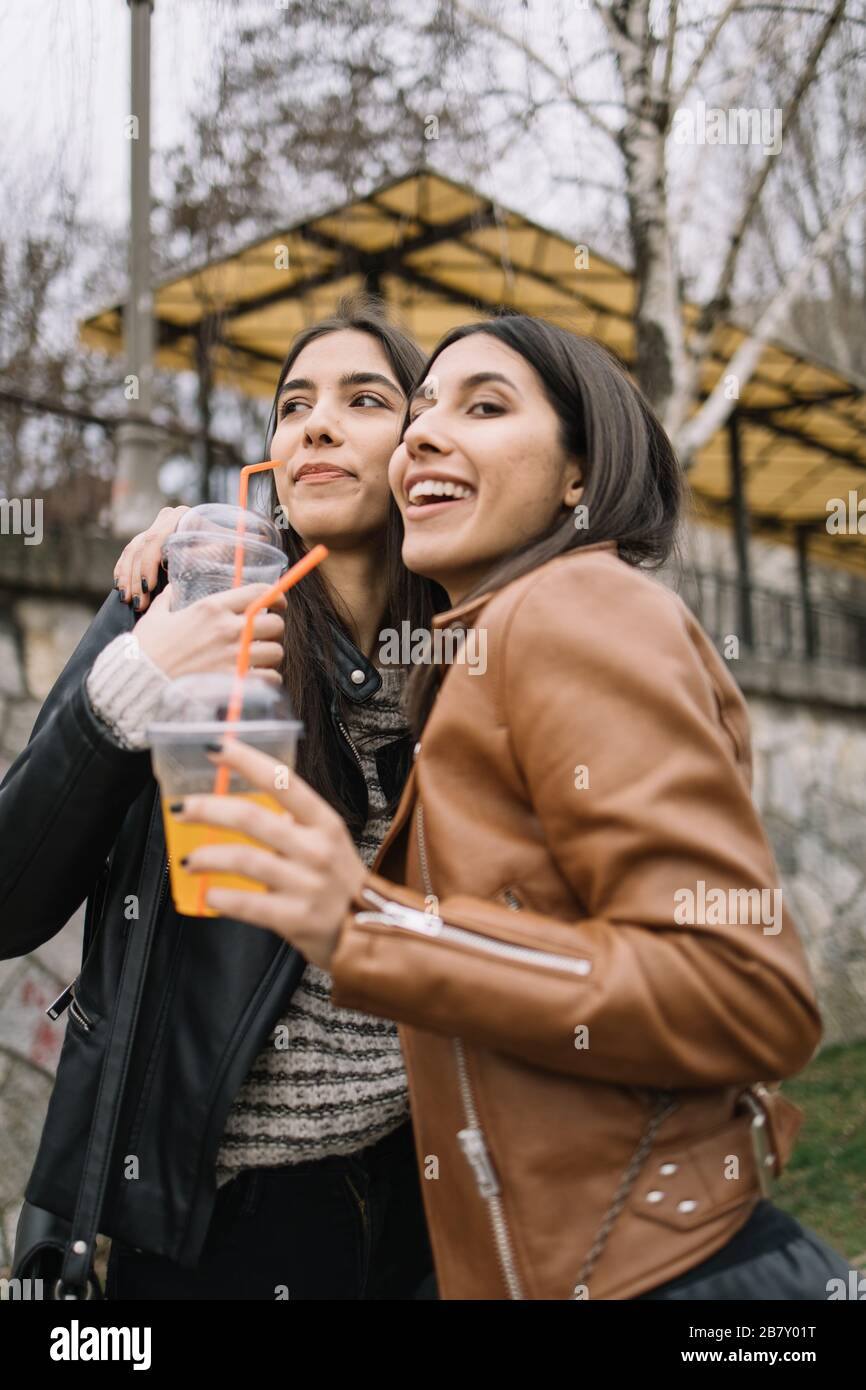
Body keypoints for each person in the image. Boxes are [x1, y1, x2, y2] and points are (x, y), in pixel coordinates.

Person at [167, 313, 857, 1300]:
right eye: (417, 414)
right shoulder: (482, 649)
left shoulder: (571, 605)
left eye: (483, 406)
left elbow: (742, 984)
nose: (420, 437)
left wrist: (361, 920)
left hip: (674, 1277)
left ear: (577, 476)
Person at [1, 293, 440, 1300]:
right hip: (218, 1227)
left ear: (423, 447)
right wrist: (132, 686)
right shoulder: (183, 601)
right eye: (292, 406)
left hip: (418, 1203)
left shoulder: (462, 651)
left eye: (364, 399)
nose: (316, 423)